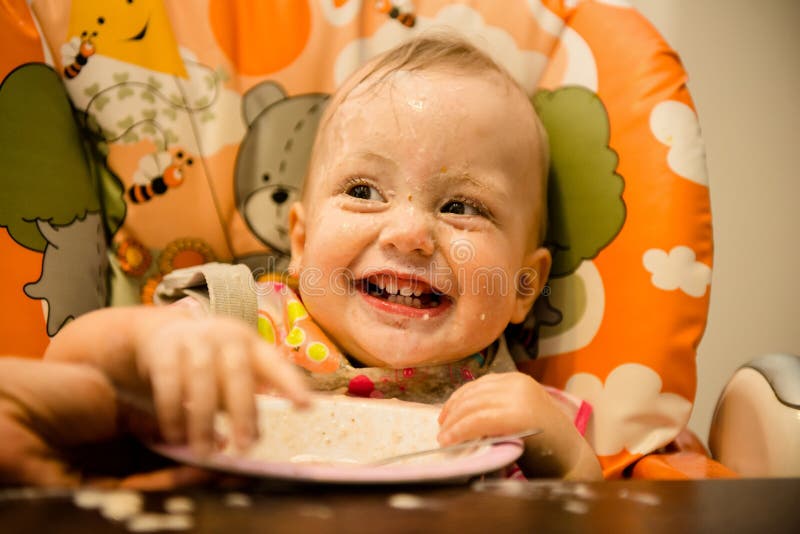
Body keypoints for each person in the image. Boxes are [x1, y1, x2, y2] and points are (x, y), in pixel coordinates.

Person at [39, 34, 601, 482]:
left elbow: (589, 509)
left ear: (526, 286)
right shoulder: (239, 328)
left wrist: (566, 455)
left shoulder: (516, 405)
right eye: (363, 192)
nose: (409, 233)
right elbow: (65, 375)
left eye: (461, 206)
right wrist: (148, 345)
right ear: (301, 242)